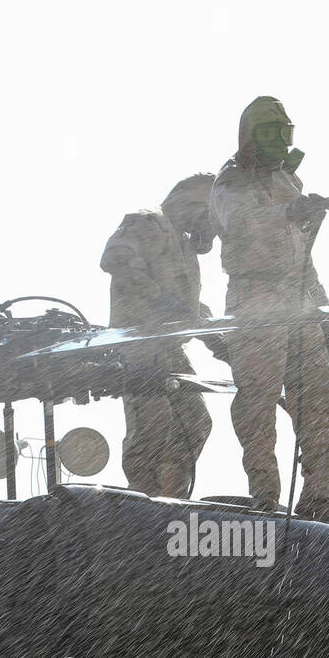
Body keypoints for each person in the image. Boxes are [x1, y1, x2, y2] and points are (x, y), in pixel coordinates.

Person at [210, 97, 329, 526]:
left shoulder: (287, 182)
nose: (281, 142)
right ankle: (265, 499)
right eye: (273, 133)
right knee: (258, 401)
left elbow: (303, 254)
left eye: (285, 134)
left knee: (317, 400)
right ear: (253, 136)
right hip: (255, 303)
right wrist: (288, 212)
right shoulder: (230, 182)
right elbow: (241, 224)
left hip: (299, 306)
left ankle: (319, 498)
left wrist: (322, 309)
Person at [100, 174, 219, 499]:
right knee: (152, 426)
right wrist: (163, 302)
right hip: (139, 346)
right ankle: (142, 503)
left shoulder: (181, 242)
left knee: (194, 421)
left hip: (167, 348)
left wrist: (215, 338)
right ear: (195, 205)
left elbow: (187, 304)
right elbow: (115, 259)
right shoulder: (148, 221)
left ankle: (171, 498)